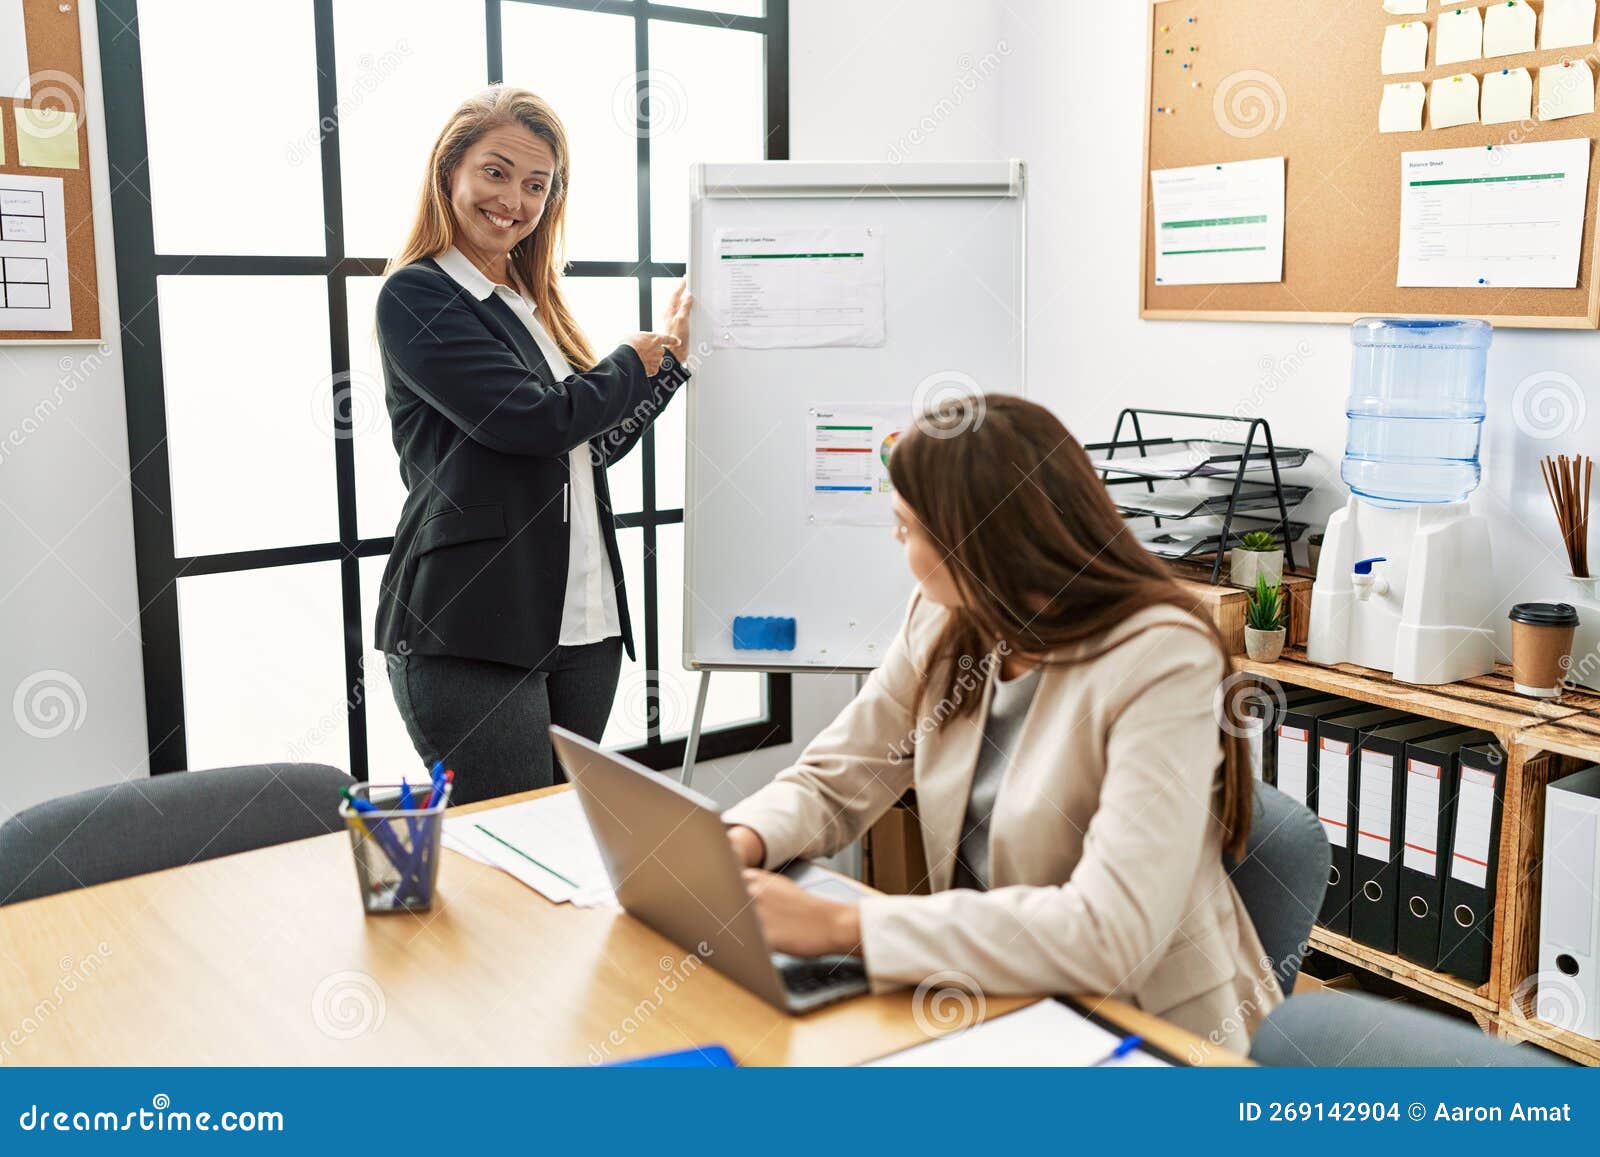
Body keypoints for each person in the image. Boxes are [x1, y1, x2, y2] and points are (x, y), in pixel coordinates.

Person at [721, 395, 1282, 1053]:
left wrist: (848, 926)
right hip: (996, 995)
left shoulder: (1162, 657)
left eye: (906, 527)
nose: (896, 542)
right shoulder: (945, 617)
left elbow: (1111, 931)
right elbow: (837, 776)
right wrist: (741, 840)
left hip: (1143, 1026)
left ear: (976, 542)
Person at [373, 86, 692, 804]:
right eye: (495, 171)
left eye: (536, 184)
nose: (513, 198)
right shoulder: (417, 297)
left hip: (584, 623)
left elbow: (585, 447)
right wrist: (628, 361)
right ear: (448, 171)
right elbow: (531, 421)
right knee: (507, 850)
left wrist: (668, 364)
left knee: (563, 839)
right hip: (470, 631)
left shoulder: (528, 305)